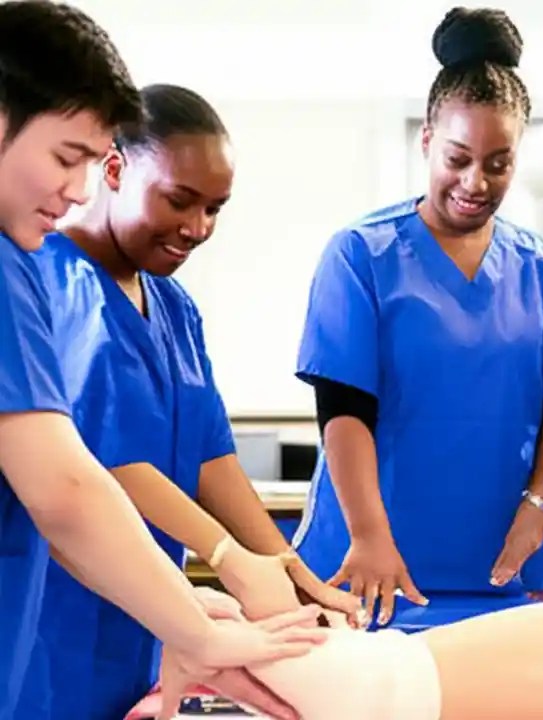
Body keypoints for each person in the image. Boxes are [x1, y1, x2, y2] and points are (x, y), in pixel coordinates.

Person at [0, 3, 328, 716]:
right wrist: (218, 580)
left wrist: (278, 564)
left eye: (215, 209)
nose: (197, 227)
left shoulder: (167, 307)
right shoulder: (39, 274)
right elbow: (77, 480)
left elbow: (210, 455)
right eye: (66, 159)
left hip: (127, 616)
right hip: (55, 633)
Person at [293, 6, 543, 624]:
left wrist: (537, 512)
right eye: (458, 157)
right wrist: (370, 535)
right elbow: (344, 409)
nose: (475, 181)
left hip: (501, 569)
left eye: (498, 163)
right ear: (427, 140)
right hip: (370, 567)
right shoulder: (362, 254)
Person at [136, 590, 543, 720]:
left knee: (277, 668)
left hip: (387, 677)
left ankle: (207, 656)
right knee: (271, 659)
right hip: (387, 694)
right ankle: (203, 633)